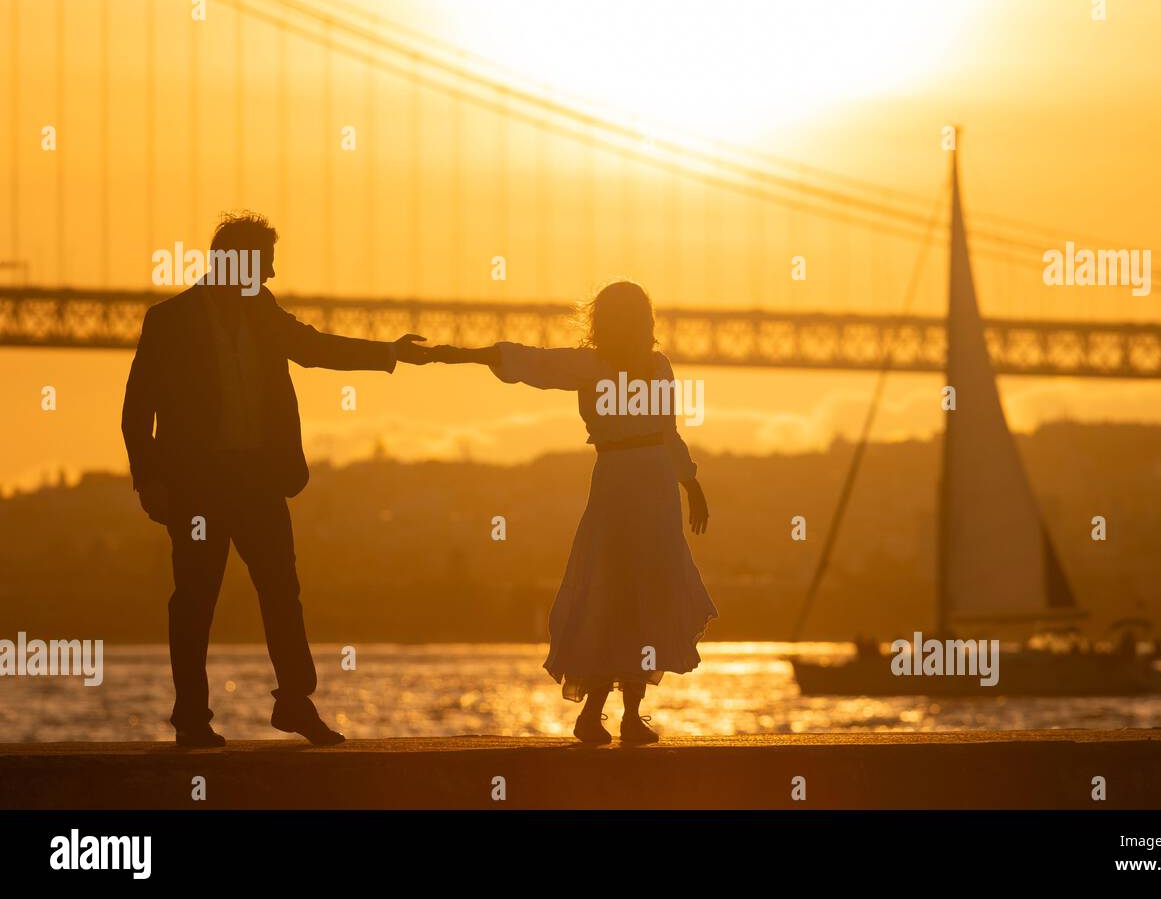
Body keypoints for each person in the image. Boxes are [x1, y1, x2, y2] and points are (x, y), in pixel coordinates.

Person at [121, 211, 434, 747]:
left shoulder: (263, 314)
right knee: (195, 598)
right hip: (197, 485)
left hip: (257, 480)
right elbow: (136, 410)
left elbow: (315, 349)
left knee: (281, 592)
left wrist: (389, 353)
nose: (270, 276)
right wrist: (149, 482)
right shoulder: (169, 320)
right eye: (264, 263)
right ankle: (192, 718)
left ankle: (294, 701)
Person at [424, 281, 716, 745]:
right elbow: (529, 361)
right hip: (620, 485)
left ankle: (630, 716)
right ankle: (595, 715)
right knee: (616, 595)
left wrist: (691, 484)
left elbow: (668, 432)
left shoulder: (659, 368)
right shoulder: (590, 365)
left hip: (655, 489)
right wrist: (455, 354)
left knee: (648, 597)